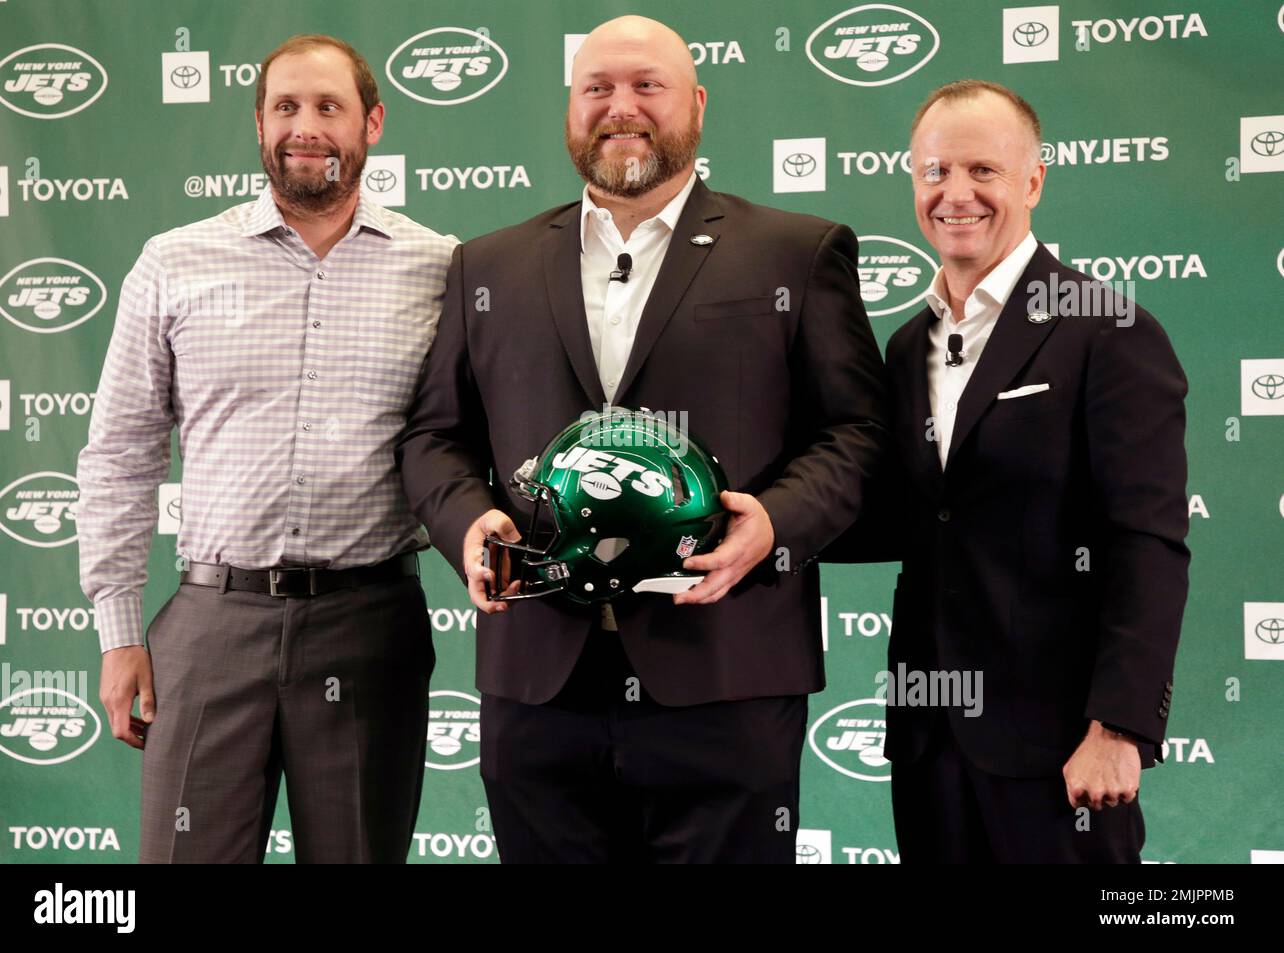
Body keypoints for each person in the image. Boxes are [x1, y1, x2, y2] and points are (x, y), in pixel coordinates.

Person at [397, 15, 888, 863]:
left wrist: (775, 523)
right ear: (570, 109)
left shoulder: (796, 254)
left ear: (696, 103)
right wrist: (464, 521)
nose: (620, 106)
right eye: (598, 88)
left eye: (646, 86)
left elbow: (858, 431)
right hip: (538, 685)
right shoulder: (487, 266)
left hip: (727, 679)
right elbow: (434, 434)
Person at [77, 34, 456, 863]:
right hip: (211, 628)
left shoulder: (441, 269)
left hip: (371, 630)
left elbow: (457, 447)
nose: (306, 126)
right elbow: (120, 452)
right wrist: (117, 633)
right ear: (259, 126)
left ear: (374, 123)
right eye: (285, 106)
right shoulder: (174, 262)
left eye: (329, 107)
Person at [834, 79, 1188, 862]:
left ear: (1033, 180)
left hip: (1064, 751)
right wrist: (739, 516)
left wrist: (1118, 727)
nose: (956, 194)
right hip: (930, 744)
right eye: (935, 173)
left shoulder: (1110, 330)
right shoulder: (903, 348)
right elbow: (901, 515)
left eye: (983, 171)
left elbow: (1147, 544)